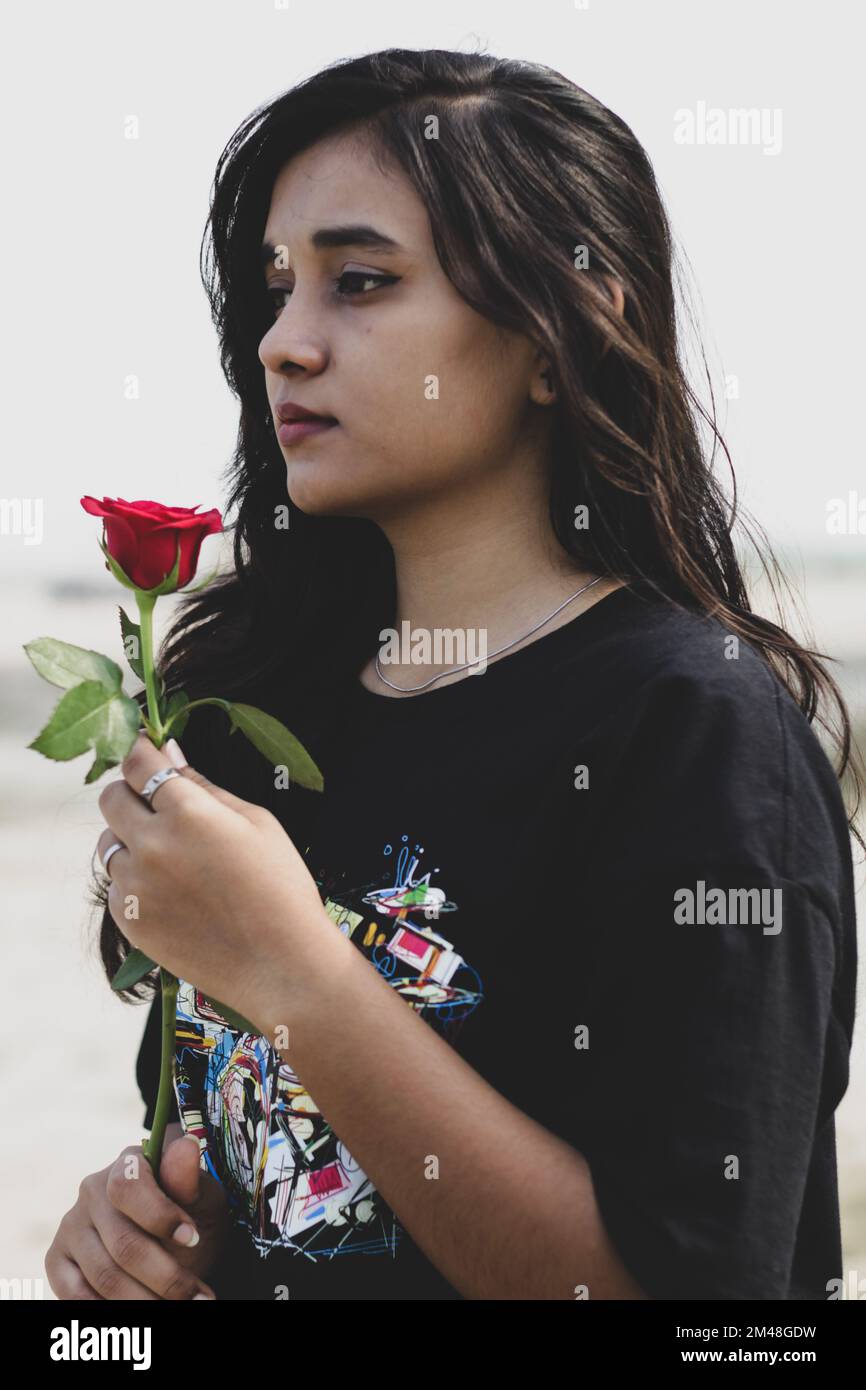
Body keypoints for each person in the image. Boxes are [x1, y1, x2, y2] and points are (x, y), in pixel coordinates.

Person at [45, 47, 862, 1302]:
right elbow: (282, 1203)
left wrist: (301, 973)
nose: (285, 345)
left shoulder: (692, 731)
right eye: (277, 289)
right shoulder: (263, 711)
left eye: (360, 282)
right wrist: (140, 1251)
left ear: (562, 334)